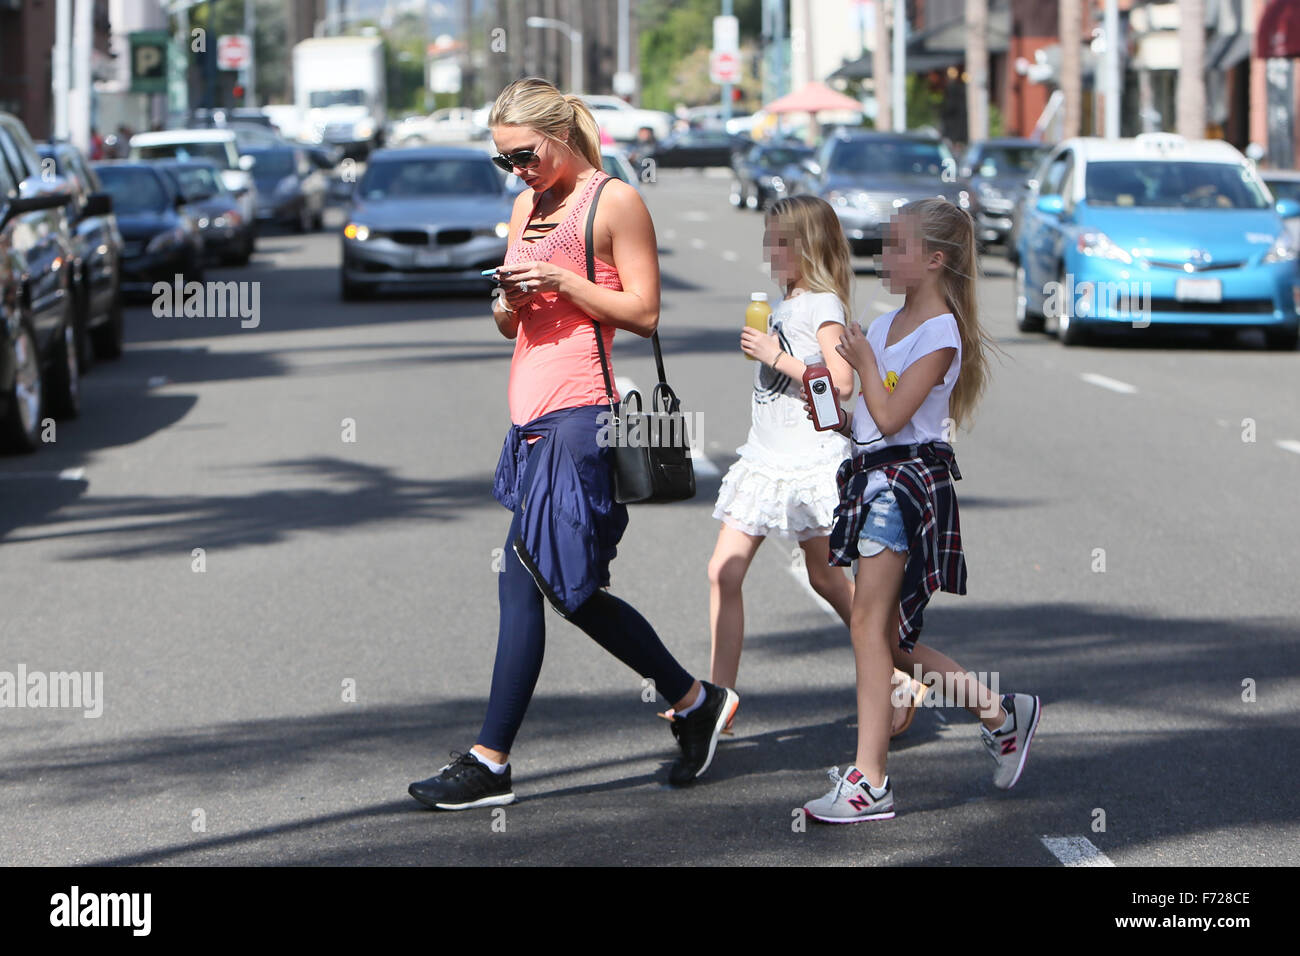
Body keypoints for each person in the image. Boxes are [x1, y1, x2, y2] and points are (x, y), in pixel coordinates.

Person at [408, 77, 738, 812]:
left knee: (524, 577)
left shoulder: (612, 201)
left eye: (524, 155)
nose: (517, 172)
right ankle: (694, 702)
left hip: (582, 416)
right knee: (571, 589)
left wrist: (560, 276)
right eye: (504, 161)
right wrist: (510, 298)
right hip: (529, 420)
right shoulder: (527, 206)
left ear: (559, 135)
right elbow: (507, 324)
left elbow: (646, 313)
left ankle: (490, 761)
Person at [801, 198, 1041, 823]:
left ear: (934, 261)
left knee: (870, 630)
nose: (884, 257)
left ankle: (871, 780)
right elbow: (864, 419)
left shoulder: (940, 333)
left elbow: (892, 415)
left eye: (897, 247)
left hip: (905, 487)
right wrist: (831, 407)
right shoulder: (882, 327)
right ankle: (997, 710)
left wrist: (864, 367)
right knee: (885, 637)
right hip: (870, 477)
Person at [663, 195, 922, 738]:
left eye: (780, 242)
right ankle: (718, 705)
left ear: (808, 247)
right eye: (768, 239)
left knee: (827, 579)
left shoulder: (821, 304)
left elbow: (843, 382)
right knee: (723, 571)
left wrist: (775, 357)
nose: (770, 251)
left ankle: (899, 671)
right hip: (765, 456)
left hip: (808, 461)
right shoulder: (789, 301)